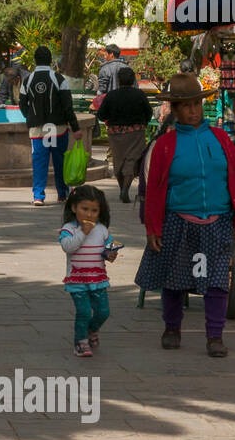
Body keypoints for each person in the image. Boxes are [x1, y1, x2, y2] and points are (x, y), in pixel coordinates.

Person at [135, 73, 235, 357]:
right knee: (174, 281)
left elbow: (234, 180)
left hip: (217, 221)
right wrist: (153, 227)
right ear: (174, 109)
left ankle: (215, 336)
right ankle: (172, 328)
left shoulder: (221, 139)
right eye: (185, 106)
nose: (193, 110)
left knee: (217, 282)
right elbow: (155, 190)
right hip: (177, 222)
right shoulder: (164, 146)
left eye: (196, 104)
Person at [58, 185, 119, 358]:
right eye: (85, 209)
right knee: (84, 312)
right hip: (77, 280)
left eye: (94, 210)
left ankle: (92, 329)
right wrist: (83, 233)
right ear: (74, 207)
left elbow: (107, 248)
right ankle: (81, 342)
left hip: (98, 279)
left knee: (103, 312)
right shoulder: (69, 229)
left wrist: (110, 254)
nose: (89, 214)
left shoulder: (102, 229)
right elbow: (68, 247)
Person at [19, 46, 81, 207]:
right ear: (50, 61)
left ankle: (38, 196)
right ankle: (62, 194)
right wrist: (75, 127)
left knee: (39, 162)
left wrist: (30, 117)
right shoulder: (59, 79)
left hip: (38, 129)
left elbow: (22, 104)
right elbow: (68, 106)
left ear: (35, 60)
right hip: (58, 128)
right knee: (60, 161)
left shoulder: (28, 80)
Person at [98, 67, 154, 203]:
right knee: (132, 160)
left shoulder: (111, 95)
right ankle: (125, 190)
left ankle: (122, 188)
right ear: (133, 79)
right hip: (136, 132)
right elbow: (149, 112)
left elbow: (101, 114)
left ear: (118, 80)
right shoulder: (139, 95)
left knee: (118, 161)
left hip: (115, 134)